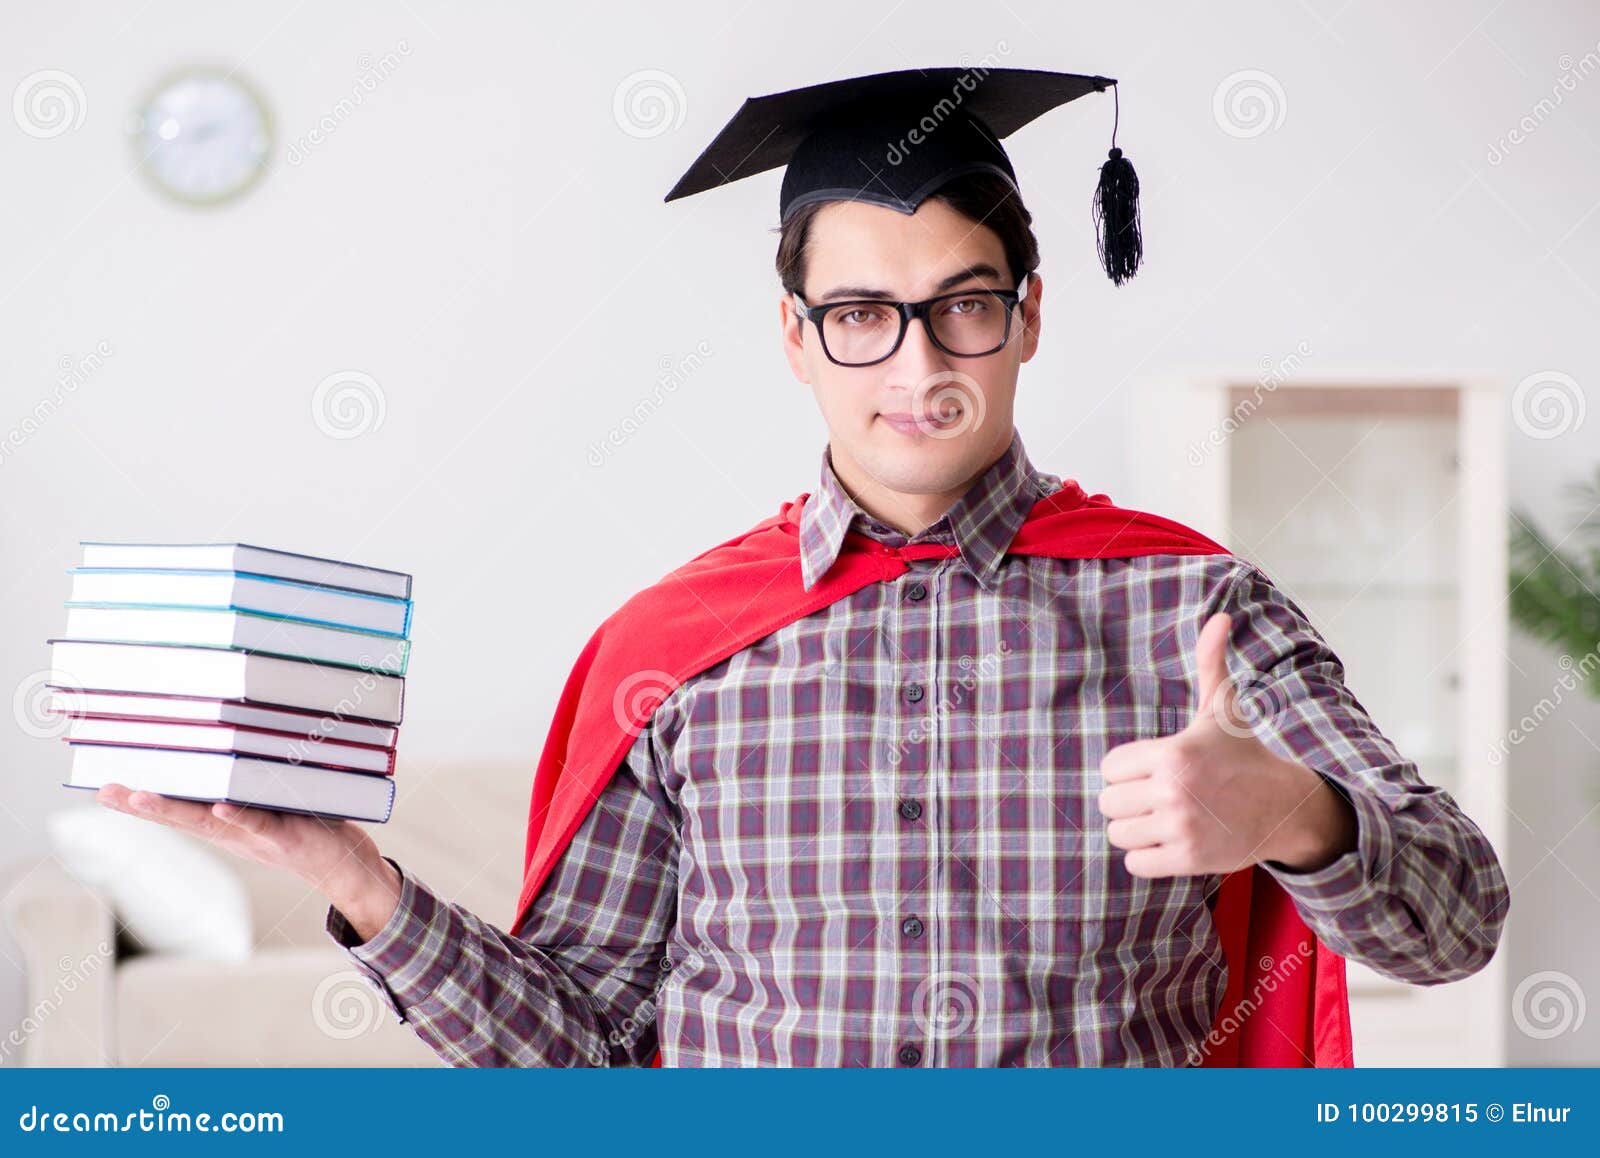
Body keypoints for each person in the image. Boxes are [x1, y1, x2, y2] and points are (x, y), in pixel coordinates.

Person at [96, 66, 1510, 1067]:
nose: (915, 366)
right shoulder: (674, 648)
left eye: (959, 306)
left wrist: (1295, 808)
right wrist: (360, 881)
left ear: (1027, 312)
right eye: (859, 315)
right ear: (794, 334)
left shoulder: (1193, 609)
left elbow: (1459, 922)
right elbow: (580, 1050)